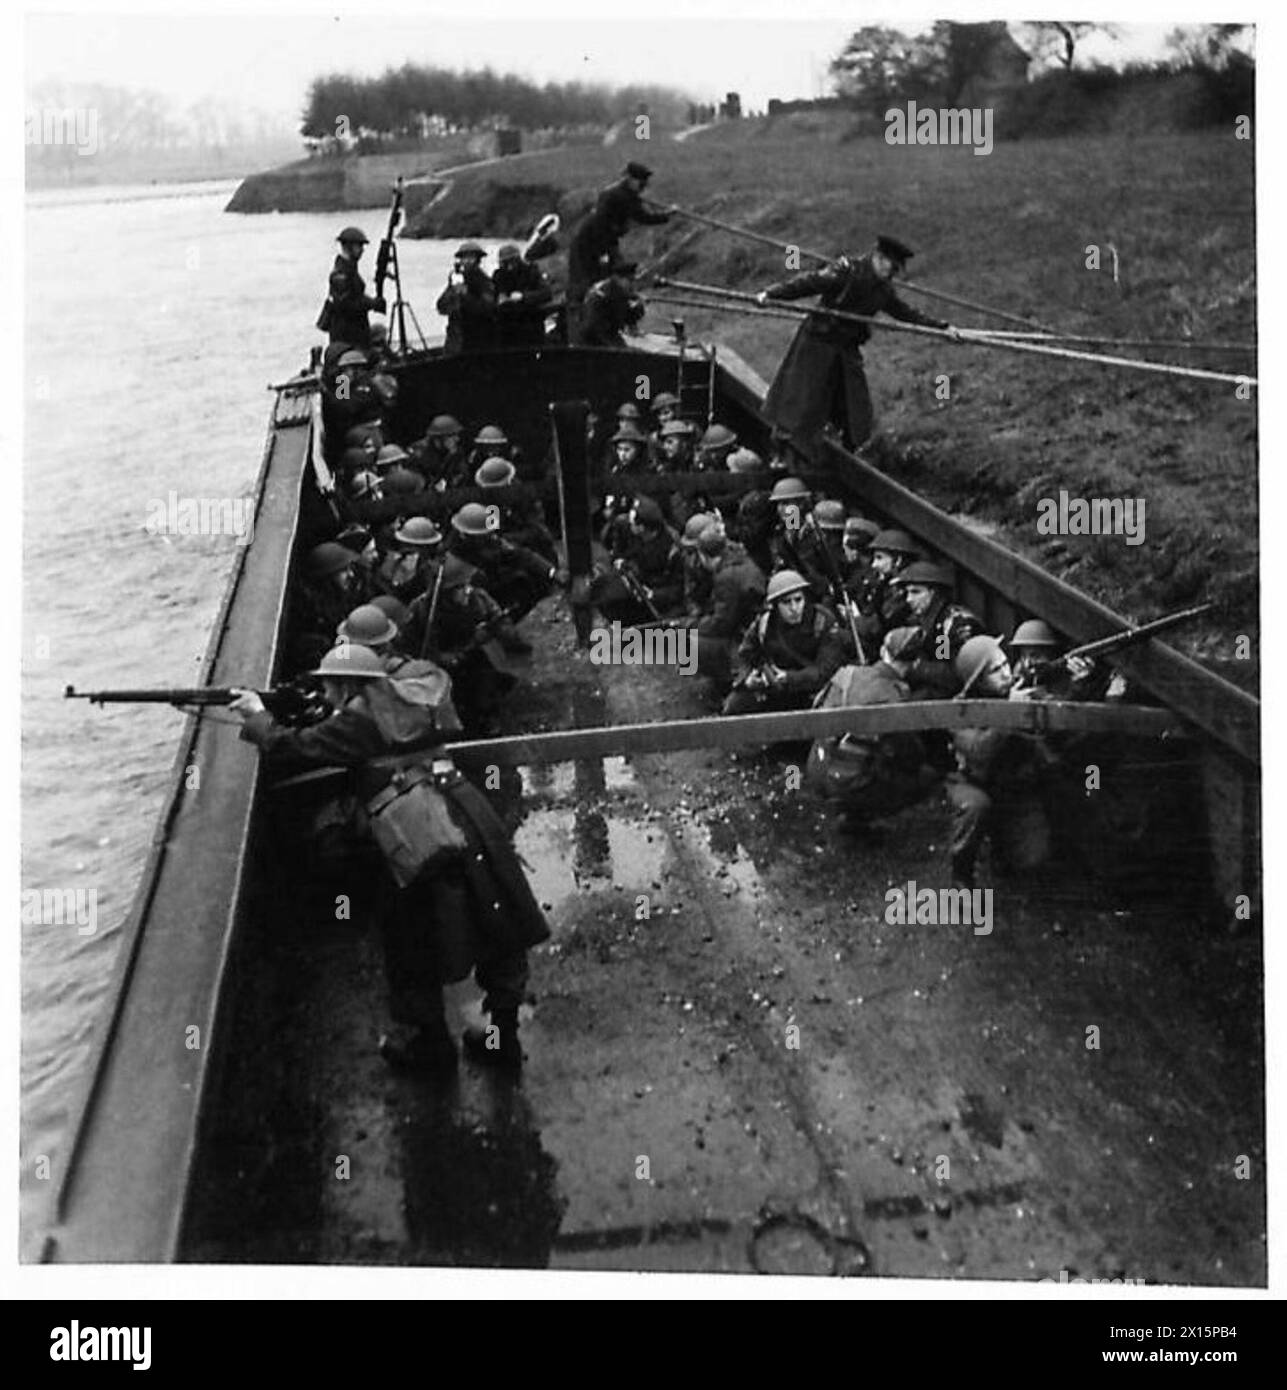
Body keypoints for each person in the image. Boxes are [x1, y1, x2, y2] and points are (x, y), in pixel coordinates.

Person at [230, 644, 548, 1073]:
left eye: (328, 686)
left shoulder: (359, 720)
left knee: (410, 941)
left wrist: (256, 714)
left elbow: (292, 748)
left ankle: (430, 1047)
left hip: (419, 836)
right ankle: (501, 1038)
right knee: (499, 924)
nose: (323, 694)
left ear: (346, 686)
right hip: (465, 810)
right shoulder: (417, 692)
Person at [757, 234, 961, 452]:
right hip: (817, 344)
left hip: (845, 348)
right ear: (879, 259)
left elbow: (906, 313)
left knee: (855, 403)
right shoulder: (845, 272)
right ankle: (783, 447)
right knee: (800, 400)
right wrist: (771, 294)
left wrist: (942, 328)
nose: (890, 274)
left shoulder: (883, 290)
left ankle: (848, 446)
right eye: (890, 268)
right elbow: (808, 284)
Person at [946, 635, 1057, 889]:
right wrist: (1010, 713)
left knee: (1033, 860)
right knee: (975, 807)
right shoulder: (958, 710)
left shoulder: (1019, 691)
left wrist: (1078, 686)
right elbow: (980, 750)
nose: (1007, 673)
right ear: (977, 680)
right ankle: (961, 873)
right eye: (995, 670)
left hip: (1014, 788)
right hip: (974, 784)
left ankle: (1002, 848)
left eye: (1005, 663)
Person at [805, 626, 942, 820]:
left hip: (816, 769)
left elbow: (815, 710)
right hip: (847, 785)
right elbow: (910, 756)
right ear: (914, 662)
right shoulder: (894, 698)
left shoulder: (847, 673)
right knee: (926, 777)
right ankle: (861, 821)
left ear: (883, 651)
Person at [723, 569, 844, 716]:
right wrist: (748, 678)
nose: (794, 608)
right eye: (786, 602)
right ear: (775, 605)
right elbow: (745, 653)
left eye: (798, 600)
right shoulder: (765, 622)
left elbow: (824, 671)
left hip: (810, 691)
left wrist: (788, 678)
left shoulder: (822, 620)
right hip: (776, 689)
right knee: (735, 705)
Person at [566, 161, 671, 318]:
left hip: (604, 241)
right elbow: (644, 217)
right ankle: (580, 316)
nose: (644, 185)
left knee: (613, 275)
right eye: (640, 181)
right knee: (586, 279)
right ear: (629, 179)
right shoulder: (620, 196)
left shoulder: (623, 194)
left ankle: (609, 314)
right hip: (590, 243)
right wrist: (667, 215)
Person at [686, 523, 767, 690]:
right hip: (754, 630)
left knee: (691, 643)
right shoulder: (741, 559)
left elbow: (722, 624)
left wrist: (692, 626)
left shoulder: (726, 577)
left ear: (706, 556)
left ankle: (725, 683)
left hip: (747, 639)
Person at [889, 560, 985, 697]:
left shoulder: (947, 625)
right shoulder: (928, 618)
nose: (909, 599)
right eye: (908, 593)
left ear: (933, 593)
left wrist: (912, 667)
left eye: (916, 592)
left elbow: (946, 672)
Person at [591, 496, 685, 625]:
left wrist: (654, 594)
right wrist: (619, 561)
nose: (629, 523)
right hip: (630, 581)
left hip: (656, 594)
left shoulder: (672, 547)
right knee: (601, 589)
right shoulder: (623, 525)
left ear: (643, 527)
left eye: (633, 522)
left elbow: (678, 587)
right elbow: (616, 551)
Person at [316, 226, 386, 347]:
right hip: (347, 337)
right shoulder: (340, 274)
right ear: (349, 246)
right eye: (359, 246)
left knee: (381, 331)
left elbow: (356, 295)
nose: (362, 250)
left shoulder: (349, 269)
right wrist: (372, 303)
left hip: (356, 331)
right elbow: (347, 304)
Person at [436, 243, 495, 354]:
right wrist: (453, 291)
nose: (467, 261)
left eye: (471, 258)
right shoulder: (457, 280)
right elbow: (441, 307)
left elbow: (487, 308)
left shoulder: (484, 282)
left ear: (478, 260)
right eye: (464, 258)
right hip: (455, 339)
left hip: (477, 340)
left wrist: (466, 295)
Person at [492, 243, 553, 347]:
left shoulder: (531, 272)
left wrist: (523, 297)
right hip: (507, 326)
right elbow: (492, 296)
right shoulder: (498, 275)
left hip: (530, 323)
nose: (509, 267)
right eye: (505, 263)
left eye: (512, 262)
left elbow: (546, 293)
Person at [575, 270, 646, 348]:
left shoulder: (614, 289)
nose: (632, 285)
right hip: (594, 337)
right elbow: (596, 325)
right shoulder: (608, 293)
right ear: (618, 279)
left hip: (598, 333)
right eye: (630, 281)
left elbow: (627, 311)